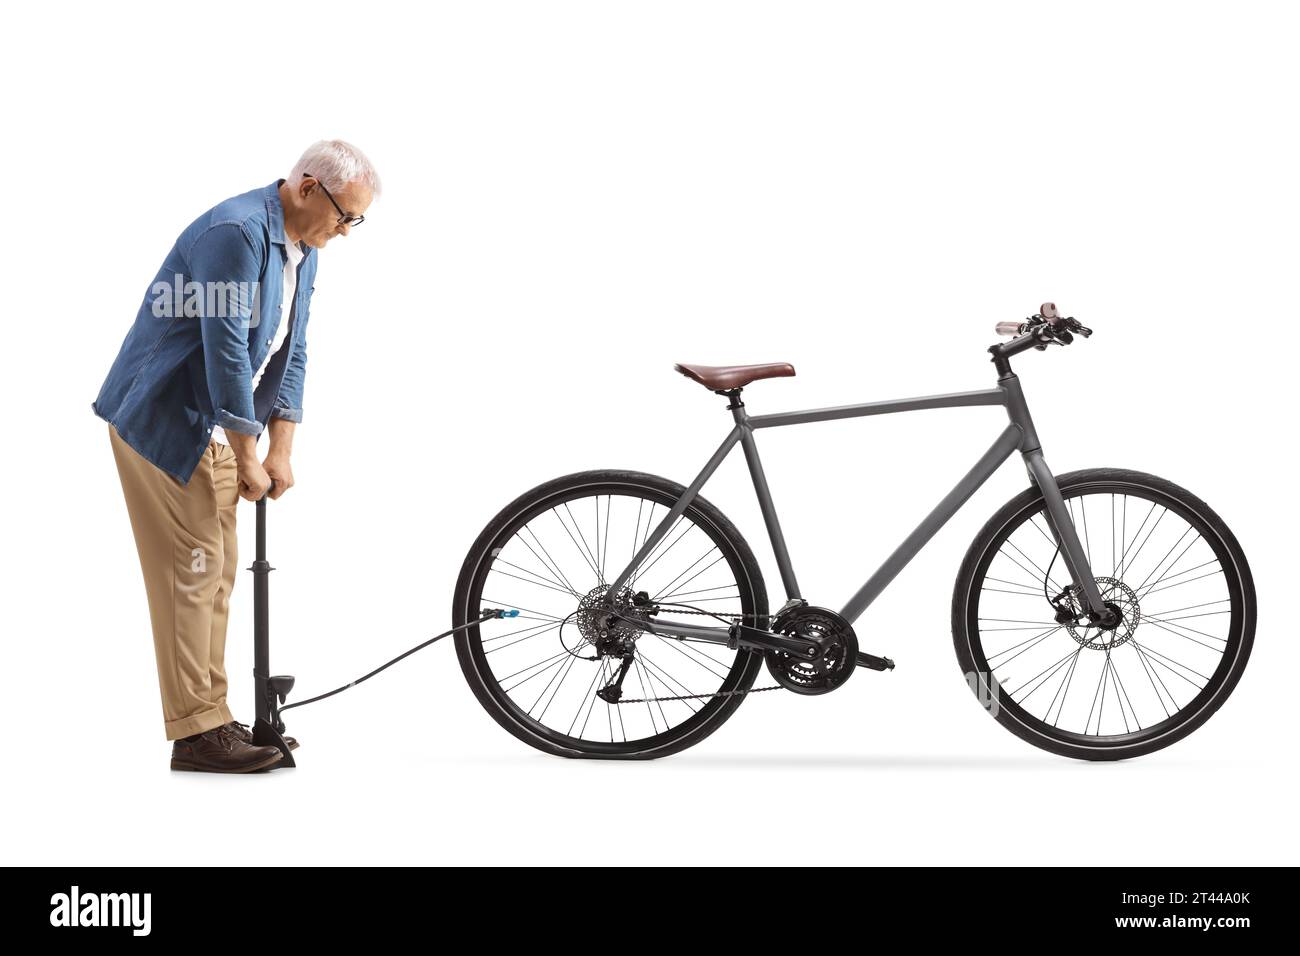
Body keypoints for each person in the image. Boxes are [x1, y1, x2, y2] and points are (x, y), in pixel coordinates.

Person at [92, 139, 380, 772]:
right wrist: (248, 453)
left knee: (217, 573)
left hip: (219, 425)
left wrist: (280, 449)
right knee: (192, 576)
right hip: (165, 419)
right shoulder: (235, 232)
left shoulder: (302, 249)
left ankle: (215, 717)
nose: (345, 230)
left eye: (355, 220)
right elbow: (225, 350)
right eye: (343, 215)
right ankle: (197, 734)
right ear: (307, 187)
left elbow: (291, 350)